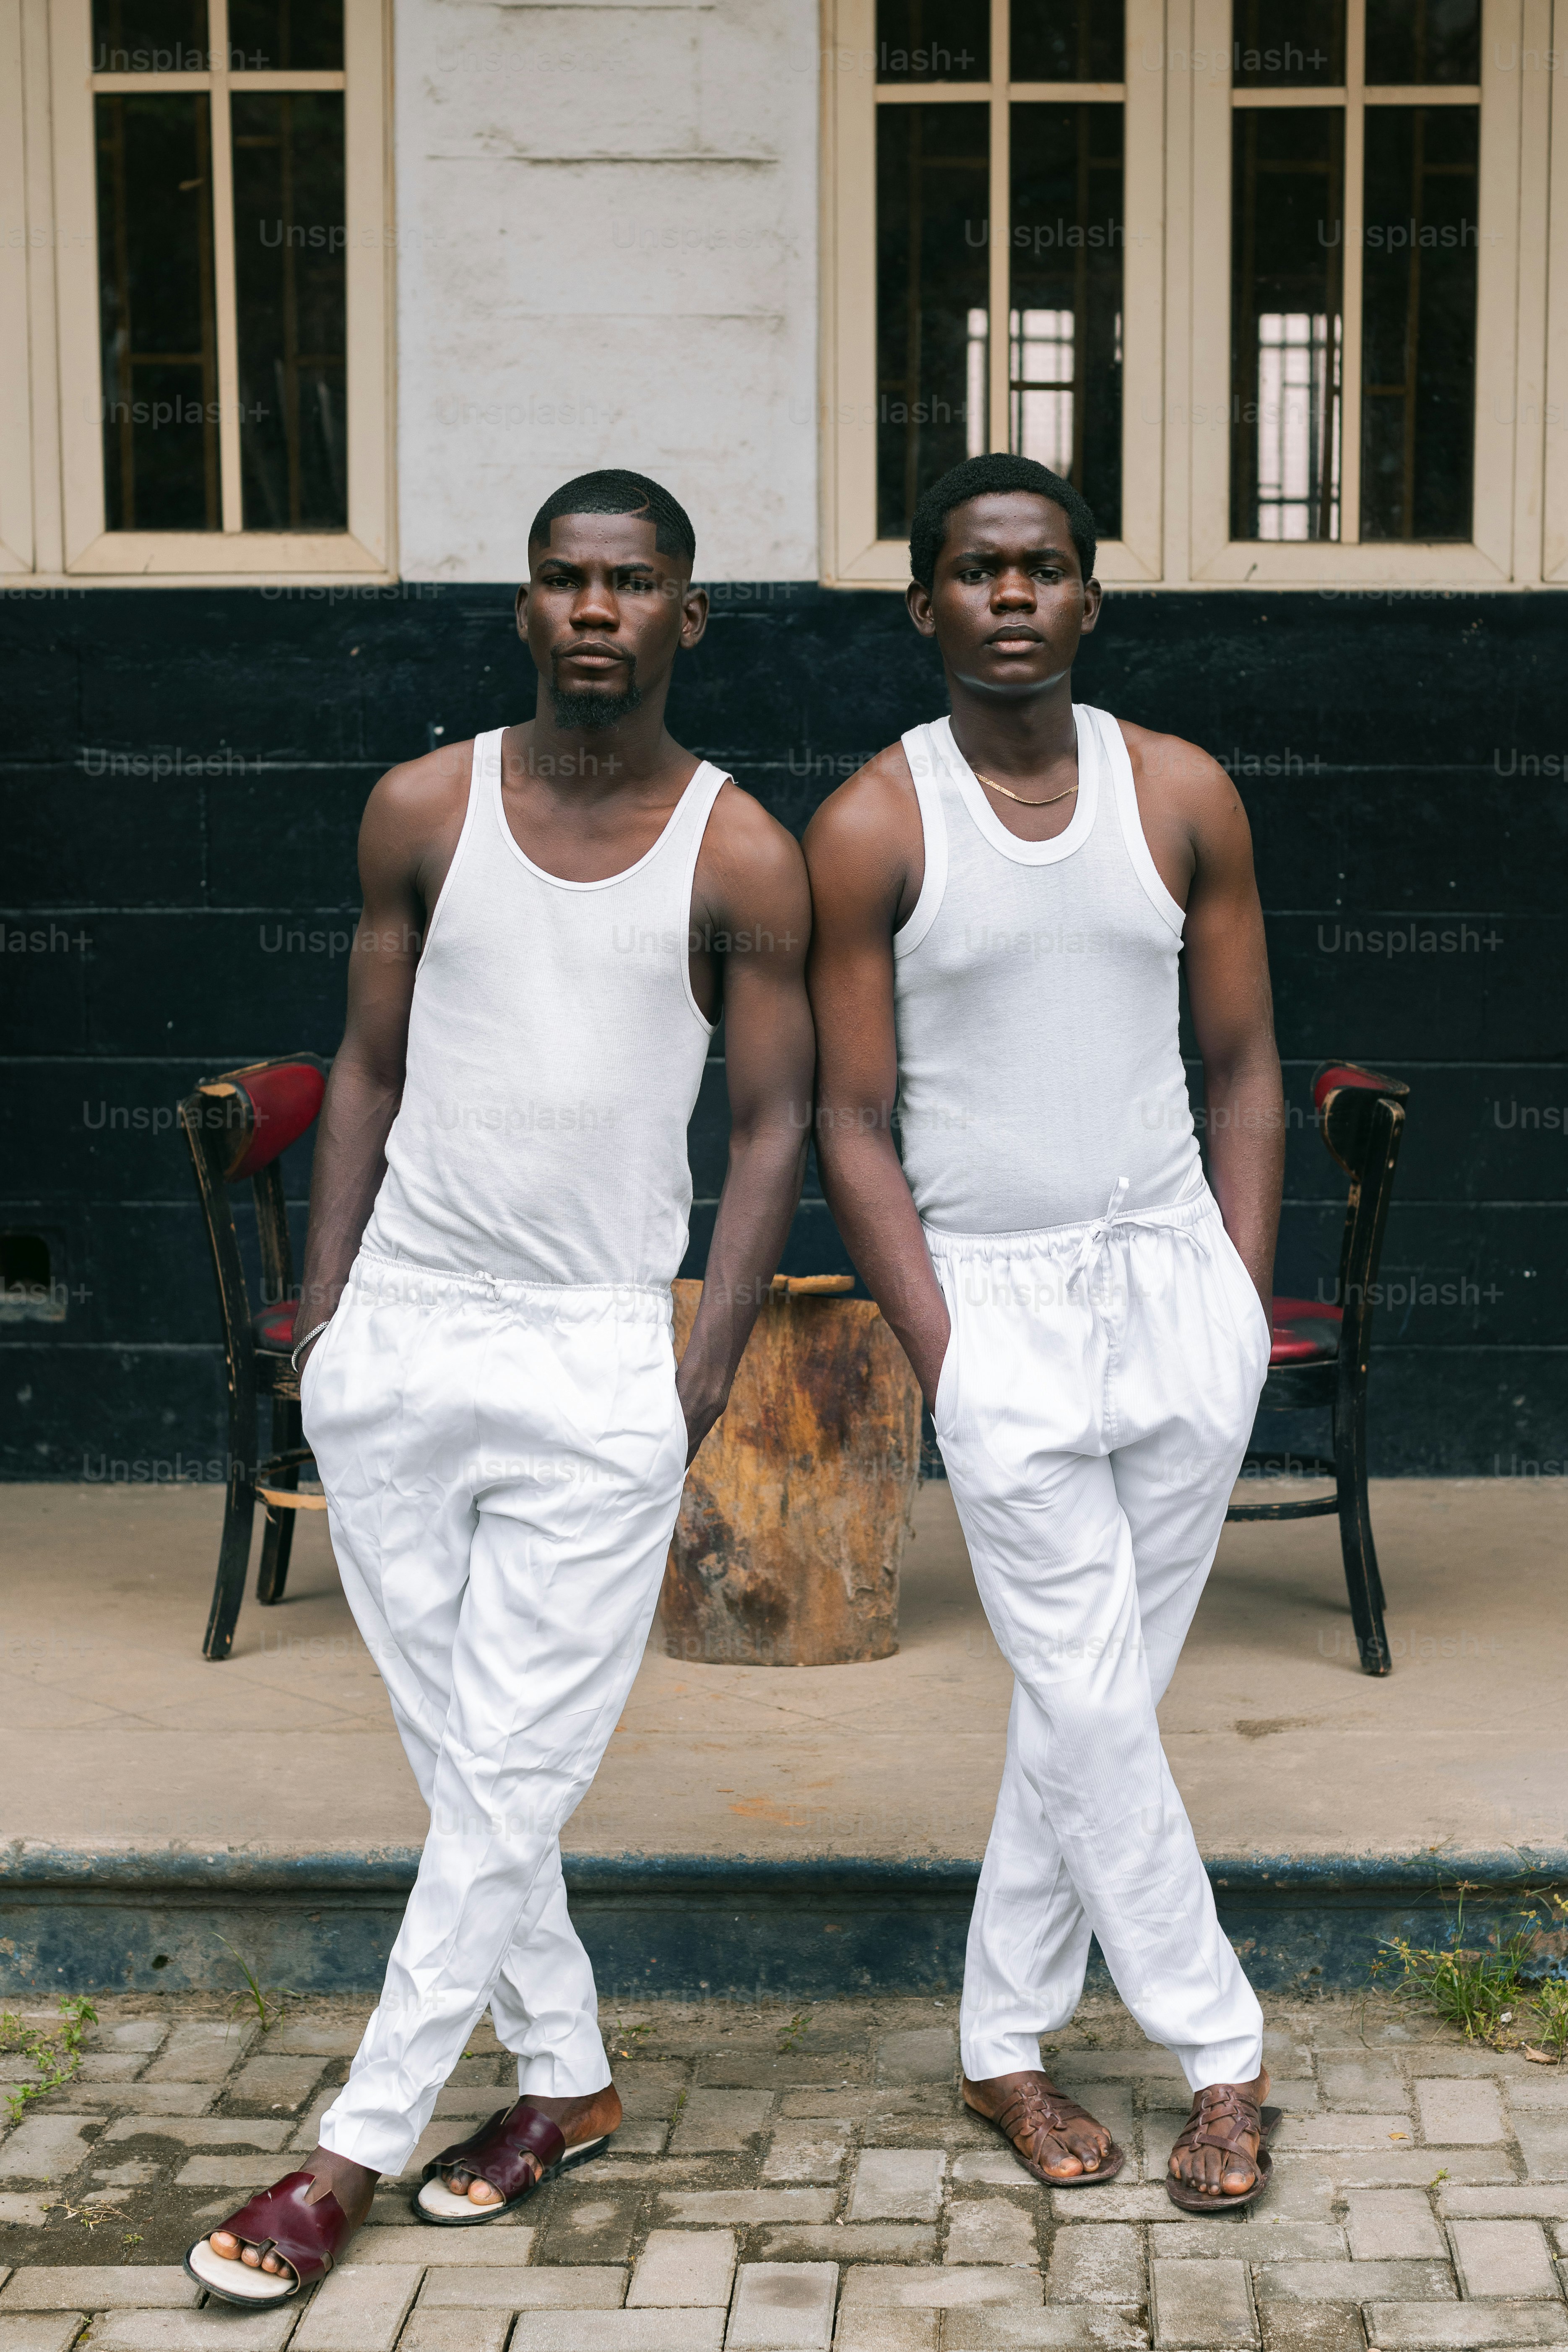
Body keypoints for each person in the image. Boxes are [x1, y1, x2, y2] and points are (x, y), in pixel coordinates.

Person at [189, 470, 814, 2304]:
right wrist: (324, 1315)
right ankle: (567, 2079)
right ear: (523, 606)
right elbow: (364, 1067)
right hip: (404, 1332)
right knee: (474, 1764)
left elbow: (776, 1117)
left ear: (686, 612)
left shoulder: (740, 848)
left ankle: (349, 2145)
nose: (596, 608)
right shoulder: (420, 808)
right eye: (564, 579)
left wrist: (699, 1360)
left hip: (594, 1343)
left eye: (632, 582)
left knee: (504, 1759)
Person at [804, 453, 1284, 2211]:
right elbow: (851, 1120)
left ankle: (1001, 2039)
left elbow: (1238, 1066)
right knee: (1086, 1688)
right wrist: (944, 1345)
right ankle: (1220, 2053)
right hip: (991, 1300)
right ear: (922, 601)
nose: (1009, 596)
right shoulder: (870, 822)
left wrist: (1230, 1299)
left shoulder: (1178, 795)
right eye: (974, 570)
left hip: (1171, 1285)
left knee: (1094, 1703)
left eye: (1042, 567)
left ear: (1089, 595)